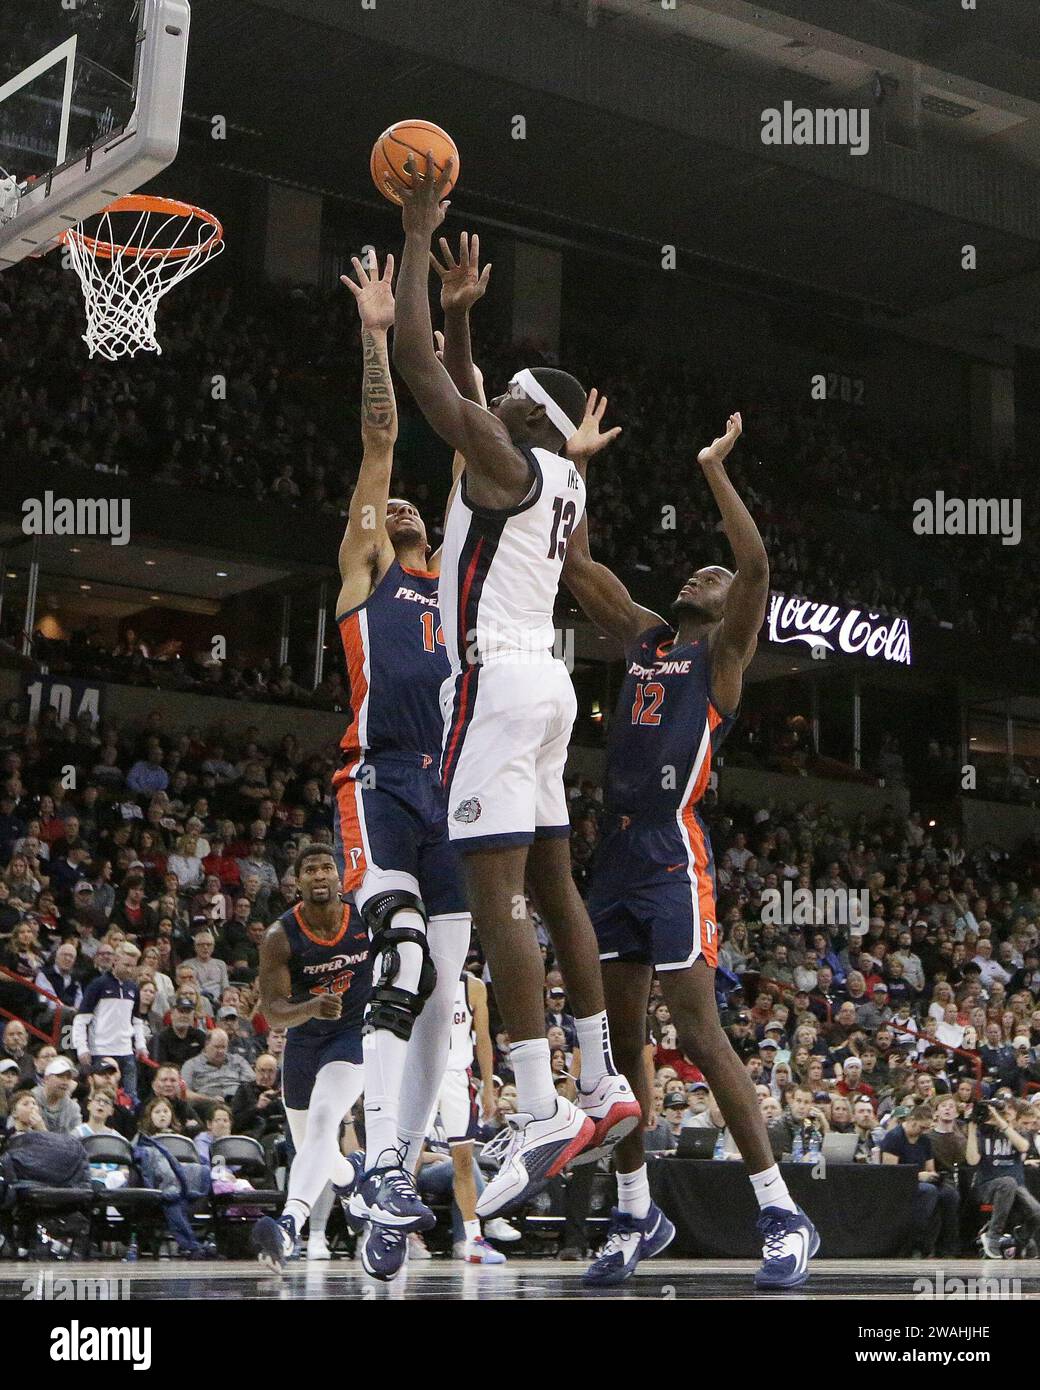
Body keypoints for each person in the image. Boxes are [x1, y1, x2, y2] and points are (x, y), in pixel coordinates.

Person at [392, 174, 638, 1223]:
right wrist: (460, 316)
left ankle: (539, 1104)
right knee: (555, 885)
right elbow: (457, 384)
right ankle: (602, 1082)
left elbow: (420, 379)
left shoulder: (502, 456)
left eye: (498, 398)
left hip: (494, 680)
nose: (481, 397)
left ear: (521, 420)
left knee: (496, 901)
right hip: (549, 681)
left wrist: (414, 241)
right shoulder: (564, 480)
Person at [561, 405, 817, 1289]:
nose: (704, 575)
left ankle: (781, 1209)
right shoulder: (644, 638)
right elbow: (575, 559)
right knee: (617, 1042)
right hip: (616, 853)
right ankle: (636, 1215)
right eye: (695, 570)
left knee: (701, 1036)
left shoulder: (724, 656)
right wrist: (576, 466)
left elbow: (753, 563)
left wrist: (713, 469)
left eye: (710, 576)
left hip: (674, 849)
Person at [331, 253, 475, 1281]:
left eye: (421, 513)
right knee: (404, 957)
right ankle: (381, 1161)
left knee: (445, 1002)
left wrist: (458, 331)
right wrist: (379, 336)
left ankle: (397, 1182)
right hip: (378, 781)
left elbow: (472, 450)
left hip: (455, 796)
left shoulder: (456, 589)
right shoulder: (367, 566)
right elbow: (384, 438)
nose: (406, 509)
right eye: (398, 509)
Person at [250, 847, 372, 1273]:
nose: (320, 875)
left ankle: (288, 1225)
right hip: (304, 1041)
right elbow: (273, 1011)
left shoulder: (364, 918)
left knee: (324, 1121)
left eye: (327, 868)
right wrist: (313, 1007)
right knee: (311, 1150)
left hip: (353, 1036)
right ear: (296, 882)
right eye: (309, 870)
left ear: (341, 879)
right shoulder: (280, 936)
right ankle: (350, 1183)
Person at [432, 969, 504, 1264]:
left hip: (457, 1077)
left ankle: (474, 1237)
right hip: (421, 1073)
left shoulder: (472, 987)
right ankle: (397, 1233)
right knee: (407, 1155)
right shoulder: (416, 977)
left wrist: (488, 1086)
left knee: (463, 1159)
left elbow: (483, 1039)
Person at [72, 942, 148, 1102]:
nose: (129, 969)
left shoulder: (133, 988)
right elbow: (81, 1019)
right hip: (101, 1050)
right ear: (115, 961)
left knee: (130, 1098)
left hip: (126, 1051)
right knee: (102, 1096)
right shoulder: (98, 985)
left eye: (133, 966)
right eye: (126, 964)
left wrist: (141, 1045)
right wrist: (82, 1048)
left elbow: (137, 1020)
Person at [880, 1104, 960, 1257]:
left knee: (950, 1194)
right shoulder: (894, 1138)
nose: (923, 1132)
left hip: (922, 1180)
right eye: (921, 1127)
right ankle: (917, 1244)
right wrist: (917, 1176)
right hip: (900, 1182)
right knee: (928, 1192)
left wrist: (932, 1176)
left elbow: (930, 1168)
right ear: (911, 1120)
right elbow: (890, 1172)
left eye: (926, 1129)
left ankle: (948, 1247)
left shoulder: (924, 1140)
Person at [966, 1098, 1040, 1258]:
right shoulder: (982, 1131)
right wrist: (971, 1129)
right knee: (1007, 1182)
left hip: (1015, 1184)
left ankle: (1021, 1236)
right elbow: (972, 1160)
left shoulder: (1020, 1131)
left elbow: (1023, 1147)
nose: (1004, 1114)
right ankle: (992, 1235)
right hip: (987, 1184)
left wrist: (1001, 1122)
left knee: (1036, 1212)